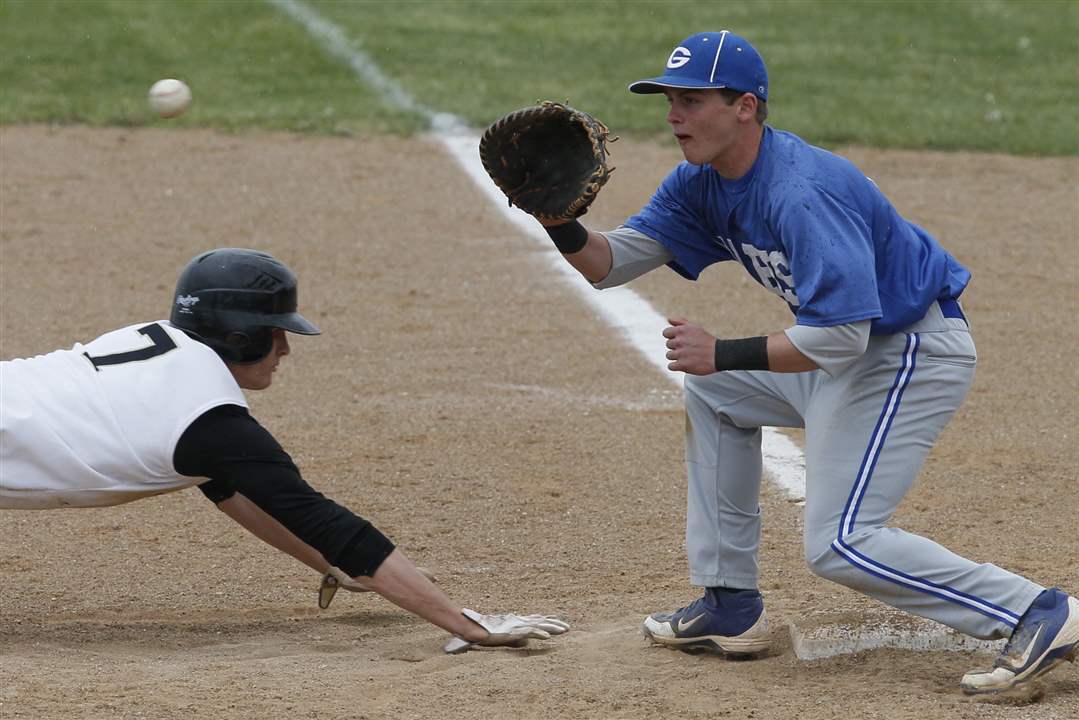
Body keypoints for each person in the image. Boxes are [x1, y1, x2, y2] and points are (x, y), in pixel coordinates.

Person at [532, 31, 1076, 694]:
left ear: (745, 107)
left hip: (909, 353)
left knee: (839, 542)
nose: (673, 115)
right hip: (851, 352)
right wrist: (557, 219)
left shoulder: (801, 192)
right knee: (716, 393)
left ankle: (1035, 611)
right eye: (669, 100)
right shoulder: (700, 182)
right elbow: (610, 264)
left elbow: (843, 336)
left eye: (690, 100)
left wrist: (720, 351)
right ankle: (729, 603)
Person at [0, 247, 568, 654]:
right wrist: (468, 625)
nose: (285, 350)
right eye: (276, 334)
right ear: (240, 335)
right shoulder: (211, 421)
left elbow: (229, 490)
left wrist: (329, 566)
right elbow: (330, 524)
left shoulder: (160, 346)